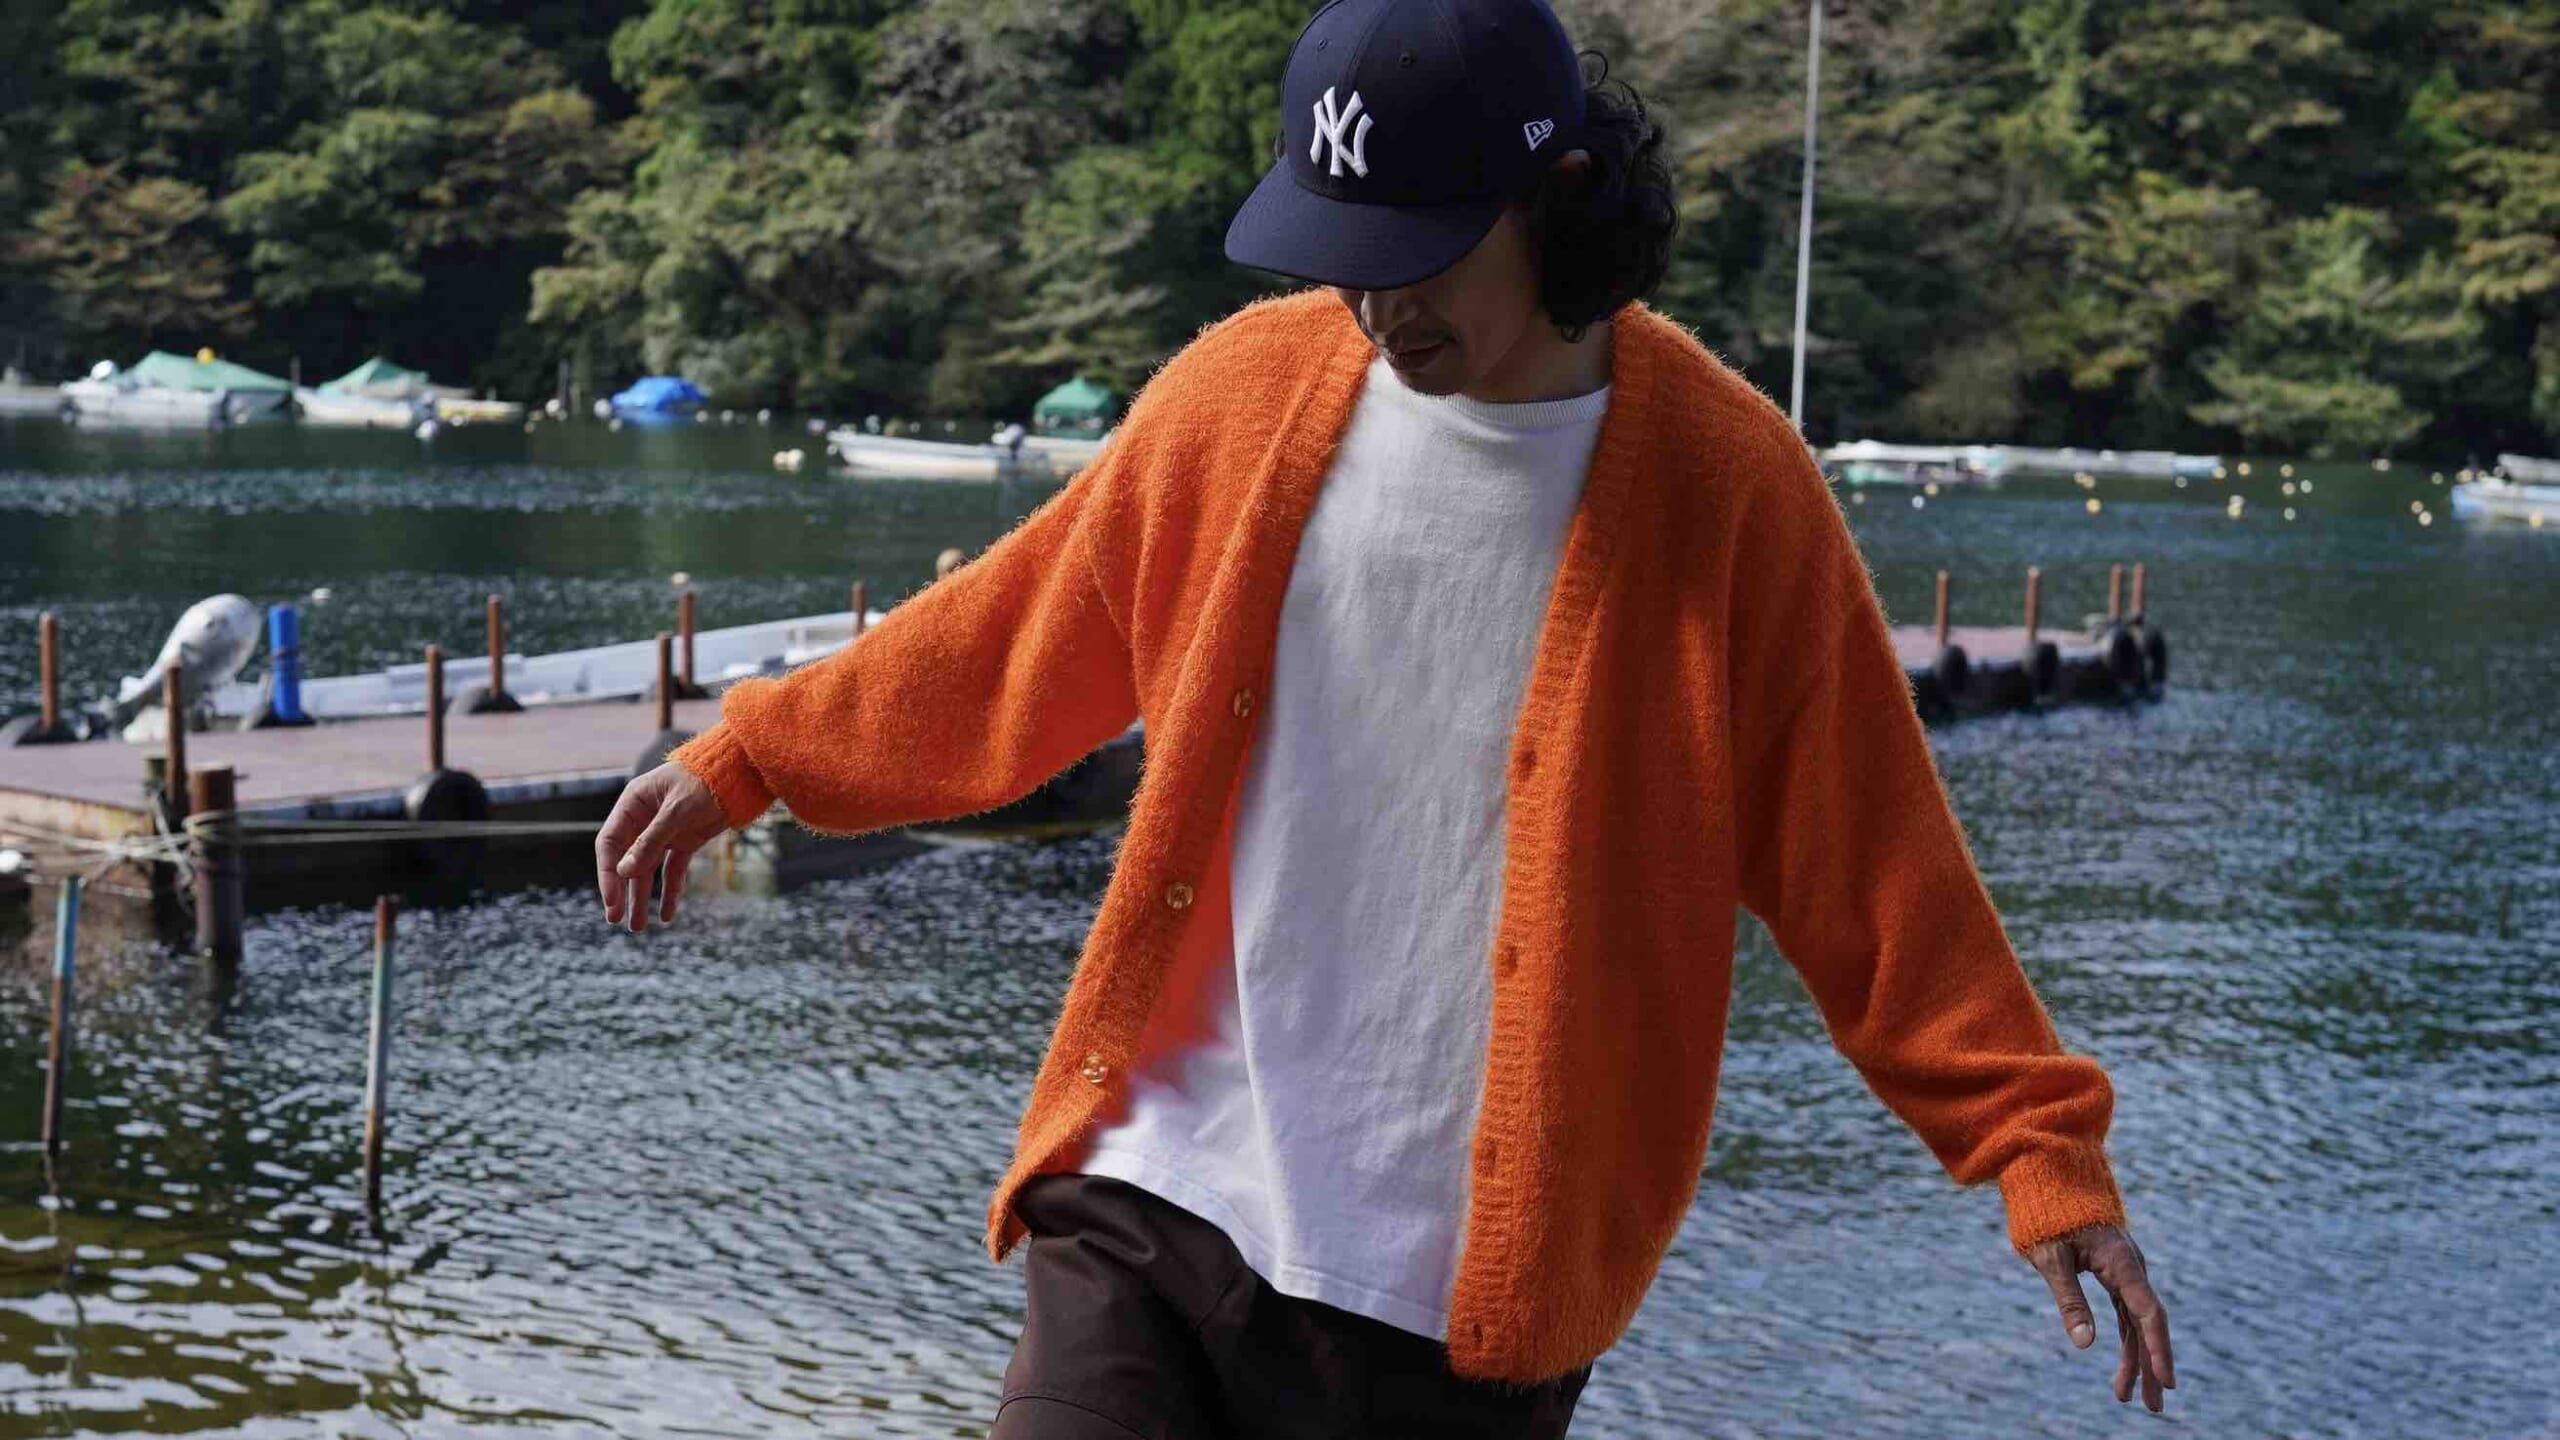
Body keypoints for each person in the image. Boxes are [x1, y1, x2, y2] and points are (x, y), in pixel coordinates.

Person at [593, 0, 2178, 1432]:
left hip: (1454, 1297)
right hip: (1161, 1180)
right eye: (1339, 252)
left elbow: (1871, 859)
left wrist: (2038, 1154)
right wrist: (756, 755)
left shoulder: (1726, 492)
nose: (1370, 306)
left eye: (1415, 253)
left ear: (1556, 198)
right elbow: (1017, 631)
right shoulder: (1240, 399)